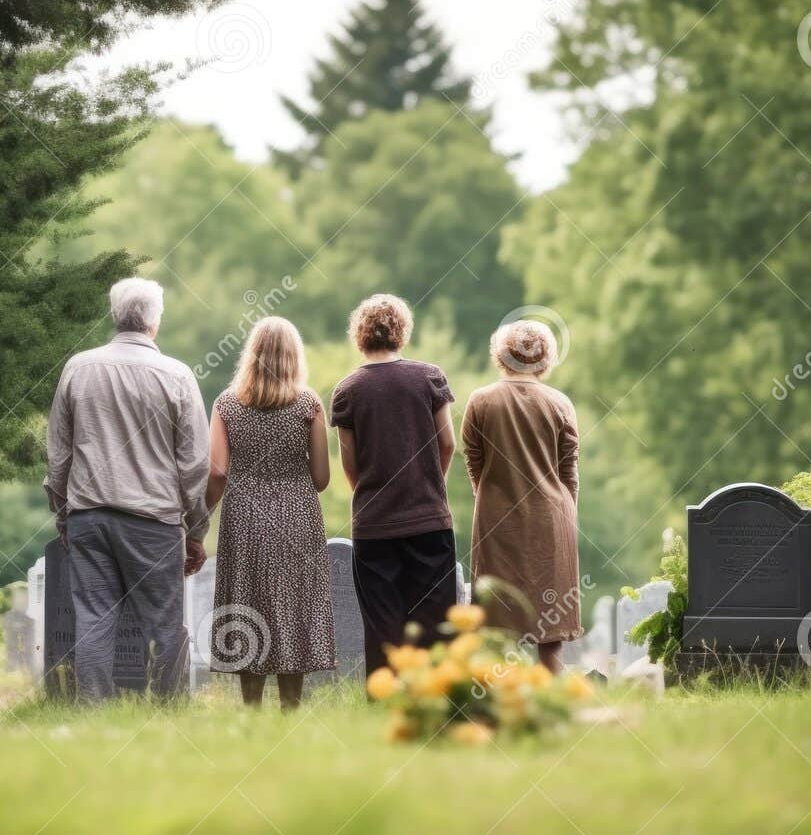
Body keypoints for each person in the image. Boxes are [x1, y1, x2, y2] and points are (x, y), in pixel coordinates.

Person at [44, 278, 209, 700]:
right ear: (155, 322)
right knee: (164, 623)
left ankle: (92, 712)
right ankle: (169, 711)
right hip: (152, 520)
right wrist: (195, 530)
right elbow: (194, 465)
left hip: (90, 515)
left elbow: (59, 455)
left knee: (94, 620)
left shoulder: (78, 368)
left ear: (116, 315)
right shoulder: (176, 375)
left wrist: (63, 513)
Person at [204, 317, 336, 708]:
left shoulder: (227, 403)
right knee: (294, 603)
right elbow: (323, 478)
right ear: (294, 356)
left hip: (244, 514)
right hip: (297, 514)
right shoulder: (309, 404)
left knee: (248, 602)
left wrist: (199, 520)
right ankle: (291, 707)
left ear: (252, 355)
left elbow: (218, 471)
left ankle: (250, 708)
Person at [330, 294, 458, 674]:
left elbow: (349, 463)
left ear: (360, 335)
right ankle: (437, 700)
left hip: (373, 524)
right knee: (436, 623)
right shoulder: (429, 377)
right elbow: (448, 443)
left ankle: (386, 700)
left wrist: (369, 492)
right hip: (429, 518)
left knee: (382, 624)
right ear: (402, 331)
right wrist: (431, 483)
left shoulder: (347, 390)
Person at [460, 319, 582, 672]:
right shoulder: (560, 403)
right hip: (553, 517)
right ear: (546, 358)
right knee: (551, 625)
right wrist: (567, 512)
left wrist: (488, 496)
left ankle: (500, 701)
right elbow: (568, 469)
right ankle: (550, 702)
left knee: (499, 623)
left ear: (501, 354)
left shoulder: (480, 401)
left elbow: (474, 460)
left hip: (496, 518)